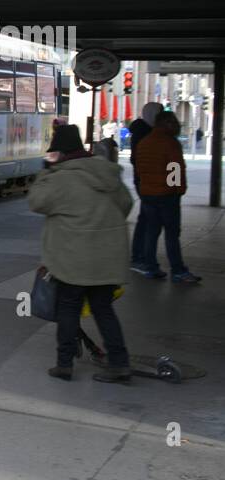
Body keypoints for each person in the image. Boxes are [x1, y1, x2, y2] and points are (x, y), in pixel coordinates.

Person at [28, 124, 133, 383]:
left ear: (59, 153)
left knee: (68, 310)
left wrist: (45, 173)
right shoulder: (107, 174)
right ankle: (119, 363)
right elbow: (127, 205)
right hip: (107, 258)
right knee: (103, 310)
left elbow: (36, 202)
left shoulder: (60, 178)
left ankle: (64, 365)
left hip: (72, 260)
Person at [135, 111, 202, 284]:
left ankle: (151, 267)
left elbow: (139, 169)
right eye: (173, 122)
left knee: (151, 232)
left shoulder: (144, 142)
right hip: (166, 195)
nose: (176, 125)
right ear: (167, 124)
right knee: (172, 234)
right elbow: (175, 169)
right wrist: (179, 189)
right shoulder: (169, 143)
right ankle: (178, 270)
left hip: (148, 194)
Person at [127, 101, 161, 274]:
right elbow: (171, 164)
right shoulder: (149, 136)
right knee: (150, 220)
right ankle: (142, 259)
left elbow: (173, 164)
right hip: (149, 184)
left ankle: (145, 259)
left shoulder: (154, 135)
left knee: (149, 219)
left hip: (150, 183)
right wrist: (175, 186)